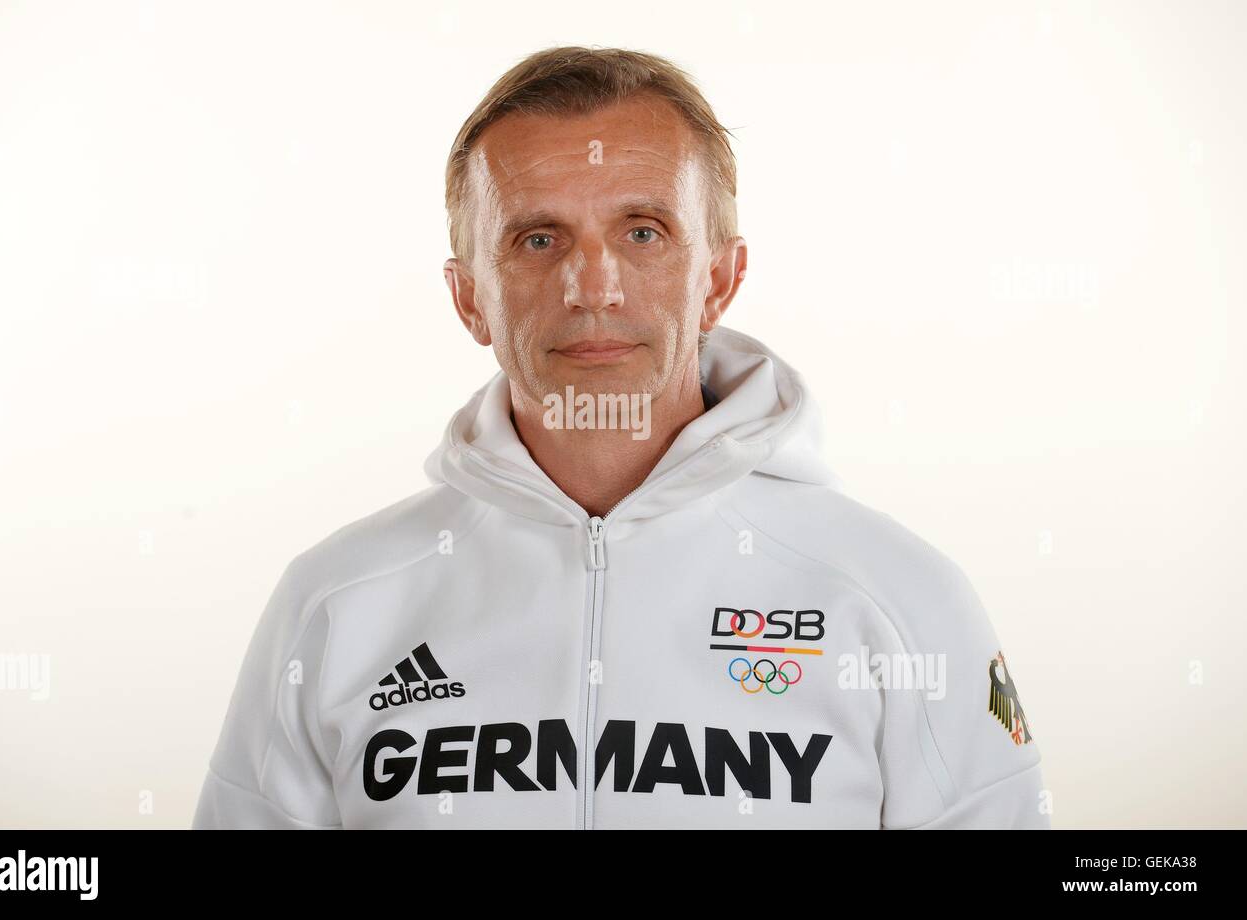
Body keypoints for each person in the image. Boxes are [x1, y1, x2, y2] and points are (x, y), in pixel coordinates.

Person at [193, 45, 1049, 829]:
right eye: (538, 238)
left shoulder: (898, 602)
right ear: (469, 299)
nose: (591, 286)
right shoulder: (338, 606)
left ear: (719, 278)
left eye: (643, 233)